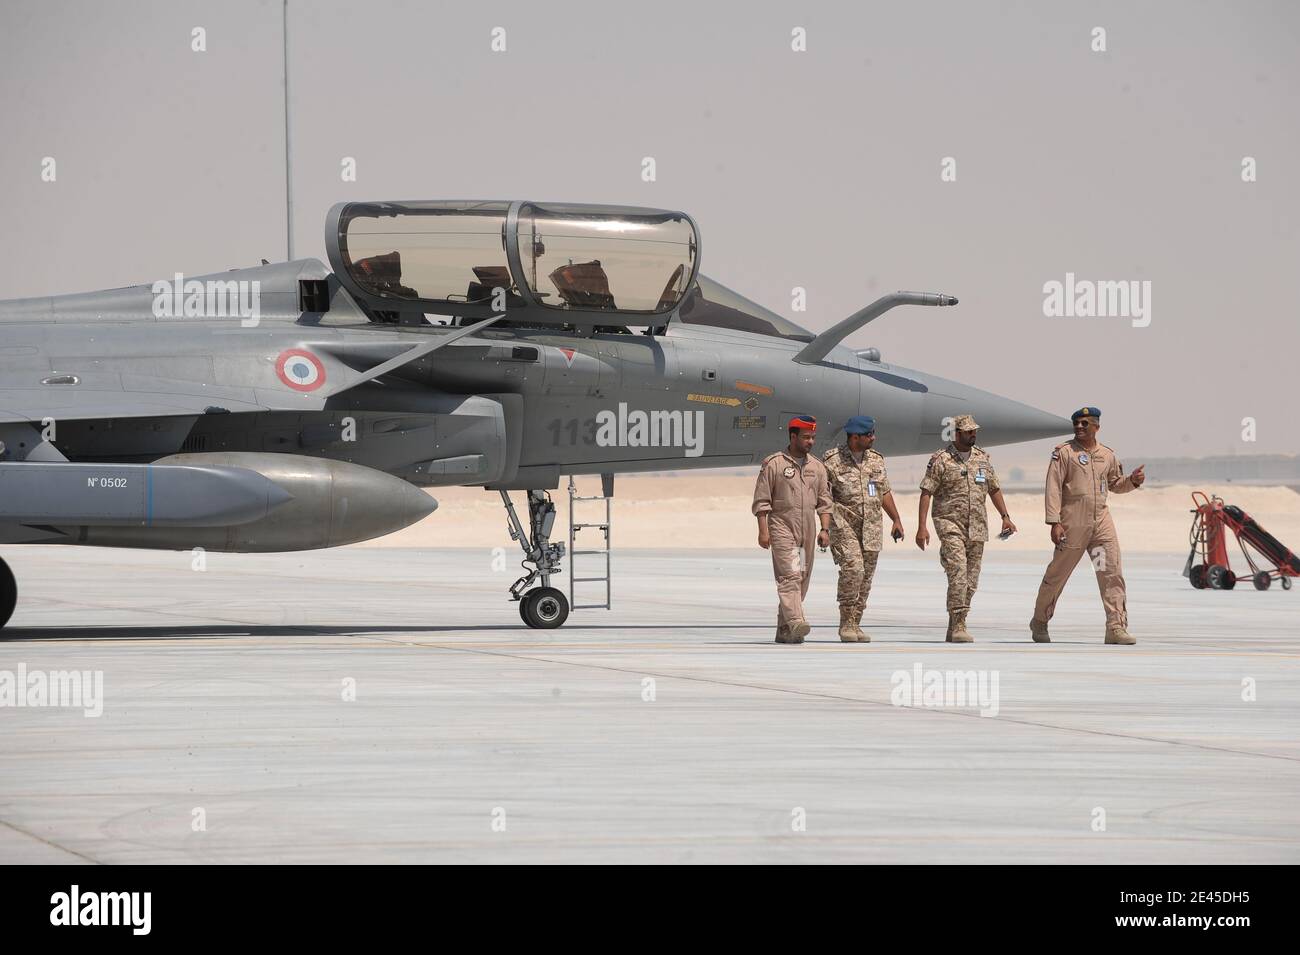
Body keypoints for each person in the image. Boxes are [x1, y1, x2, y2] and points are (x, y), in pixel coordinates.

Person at [1030, 407, 1145, 645]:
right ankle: (1040, 621)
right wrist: (1054, 522)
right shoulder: (1064, 453)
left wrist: (1132, 482)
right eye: (1076, 424)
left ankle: (1116, 627)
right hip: (1073, 524)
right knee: (1057, 575)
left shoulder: (1107, 455)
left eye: (1084, 424)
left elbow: (1115, 484)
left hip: (1101, 524)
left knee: (1110, 573)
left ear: (1096, 427)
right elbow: (1053, 487)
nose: (1079, 428)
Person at [916, 414, 1016, 642]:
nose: (973, 435)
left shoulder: (982, 459)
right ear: (957, 433)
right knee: (958, 573)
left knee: (971, 580)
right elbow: (926, 493)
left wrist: (1005, 517)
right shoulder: (941, 459)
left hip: (977, 526)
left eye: (975, 431)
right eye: (969, 432)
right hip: (949, 523)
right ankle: (960, 624)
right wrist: (922, 527)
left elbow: (994, 489)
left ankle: (954, 625)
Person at [823, 415, 903, 642]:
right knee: (853, 569)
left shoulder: (876, 460)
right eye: (869, 435)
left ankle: (856, 622)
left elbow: (884, 491)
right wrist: (825, 527)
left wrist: (896, 519)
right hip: (844, 523)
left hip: (872, 526)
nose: (873, 438)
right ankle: (846, 622)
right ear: (855, 437)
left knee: (866, 576)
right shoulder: (832, 461)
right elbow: (824, 497)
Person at [753, 415, 833, 644]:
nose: (810, 442)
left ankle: (785, 630)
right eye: (806, 437)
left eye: (813, 438)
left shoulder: (817, 467)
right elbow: (762, 501)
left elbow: (825, 501)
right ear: (793, 436)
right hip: (781, 526)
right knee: (789, 574)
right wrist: (763, 530)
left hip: (808, 527)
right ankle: (797, 620)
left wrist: (824, 529)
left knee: (802, 577)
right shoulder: (774, 464)